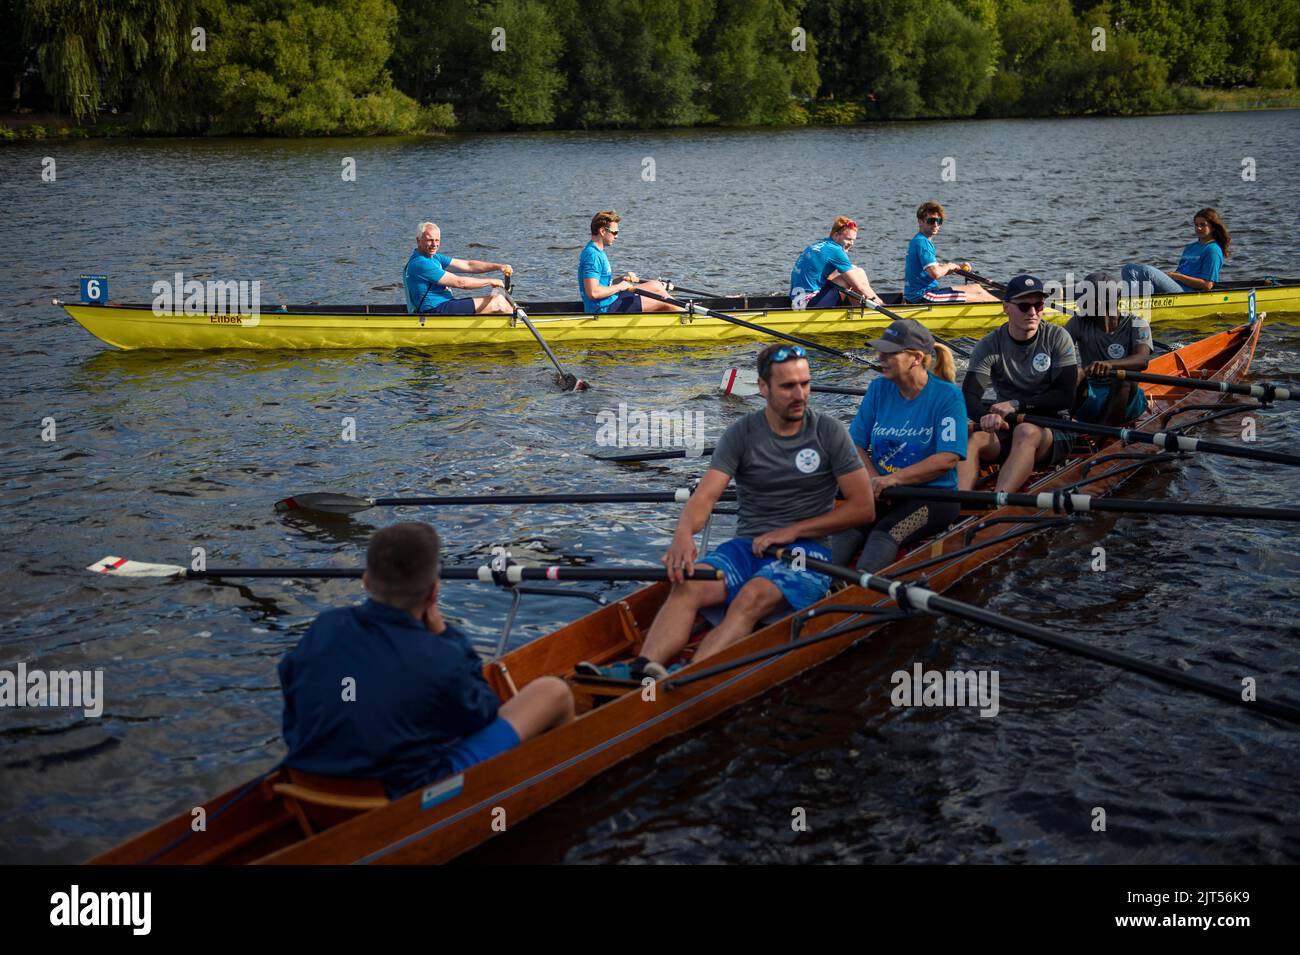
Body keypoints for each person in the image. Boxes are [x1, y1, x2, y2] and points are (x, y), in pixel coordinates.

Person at [582, 343, 874, 681]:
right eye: (788, 386)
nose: (800, 394)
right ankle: (641, 670)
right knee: (687, 583)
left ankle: (687, 680)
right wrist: (681, 536)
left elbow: (863, 507)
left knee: (751, 596)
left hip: (805, 553)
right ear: (763, 388)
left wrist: (795, 530)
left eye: (805, 384)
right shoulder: (741, 433)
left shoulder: (828, 433)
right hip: (747, 548)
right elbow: (705, 497)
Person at [279, 522, 574, 798]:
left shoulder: (323, 627)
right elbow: (483, 714)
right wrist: (446, 635)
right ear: (433, 592)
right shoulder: (440, 655)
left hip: (308, 786)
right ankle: (563, 777)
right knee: (553, 691)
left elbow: (293, 695)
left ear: (366, 581)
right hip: (405, 795)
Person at [830, 319, 966, 572]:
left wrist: (893, 481)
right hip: (884, 491)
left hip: (933, 496)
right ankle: (811, 588)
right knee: (845, 530)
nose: (880, 357)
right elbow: (854, 445)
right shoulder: (878, 388)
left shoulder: (947, 395)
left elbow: (947, 458)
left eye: (889, 352)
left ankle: (858, 595)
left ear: (915, 358)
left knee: (884, 533)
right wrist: (873, 481)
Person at [959, 274, 1080, 493]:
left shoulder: (1058, 338)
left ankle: (999, 504)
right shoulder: (989, 345)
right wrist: (984, 418)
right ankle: (954, 505)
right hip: (1008, 426)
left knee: (1026, 431)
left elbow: (1065, 397)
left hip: (1055, 428)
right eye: (1024, 306)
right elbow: (969, 396)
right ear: (1006, 308)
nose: (1033, 312)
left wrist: (1016, 404)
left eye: (1038, 305)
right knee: (975, 437)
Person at [1067, 271, 1152, 425]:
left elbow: (1143, 360)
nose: (1078, 303)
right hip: (1091, 395)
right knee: (1070, 372)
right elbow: (1060, 353)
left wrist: (1110, 364)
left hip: (1127, 401)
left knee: (1124, 377)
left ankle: (1105, 435)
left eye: (1083, 300)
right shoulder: (1077, 322)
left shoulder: (1138, 323)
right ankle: (1064, 425)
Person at [578, 210, 679, 314]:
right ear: (603, 231)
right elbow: (593, 293)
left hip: (610, 300)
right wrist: (620, 286)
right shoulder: (593, 255)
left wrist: (621, 279)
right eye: (614, 232)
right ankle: (689, 319)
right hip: (603, 308)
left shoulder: (597, 251)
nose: (616, 236)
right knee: (665, 302)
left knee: (656, 285)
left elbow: (603, 284)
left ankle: (684, 312)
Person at [404, 222, 513, 315]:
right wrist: (491, 281)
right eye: (430, 240)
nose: (434, 244)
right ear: (418, 240)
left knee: (497, 295)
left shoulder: (435, 257)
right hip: (433, 310)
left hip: (445, 305)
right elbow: (461, 283)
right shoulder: (421, 263)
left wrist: (499, 267)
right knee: (498, 301)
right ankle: (516, 328)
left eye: (437, 240)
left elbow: (469, 265)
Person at [903, 202, 998, 304]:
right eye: (931, 220)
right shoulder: (923, 242)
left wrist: (957, 267)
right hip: (924, 296)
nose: (935, 224)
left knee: (976, 287)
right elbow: (935, 273)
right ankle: (1008, 312)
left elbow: (933, 270)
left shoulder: (917, 240)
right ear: (920, 221)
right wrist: (949, 266)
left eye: (938, 221)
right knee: (984, 297)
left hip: (923, 293)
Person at [1120, 207, 1231, 295]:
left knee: (1147, 270)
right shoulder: (1190, 247)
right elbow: (1180, 271)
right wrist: (1174, 276)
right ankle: (1134, 307)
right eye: (1196, 225)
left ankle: (1136, 309)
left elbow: (1207, 285)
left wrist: (1177, 276)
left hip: (1189, 292)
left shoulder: (1213, 250)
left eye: (1203, 225)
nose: (1198, 228)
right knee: (1128, 269)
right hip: (1176, 285)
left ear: (1212, 228)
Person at [789, 216, 883, 309]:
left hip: (796, 300)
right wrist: (880, 303)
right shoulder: (835, 250)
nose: (851, 243)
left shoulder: (821, 244)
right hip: (808, 304)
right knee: (858, 274)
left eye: (853, 240)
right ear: (836, 235)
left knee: (853, 269)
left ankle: (858, 307)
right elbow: (859, 287)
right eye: (848, 239)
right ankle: (859, 311)